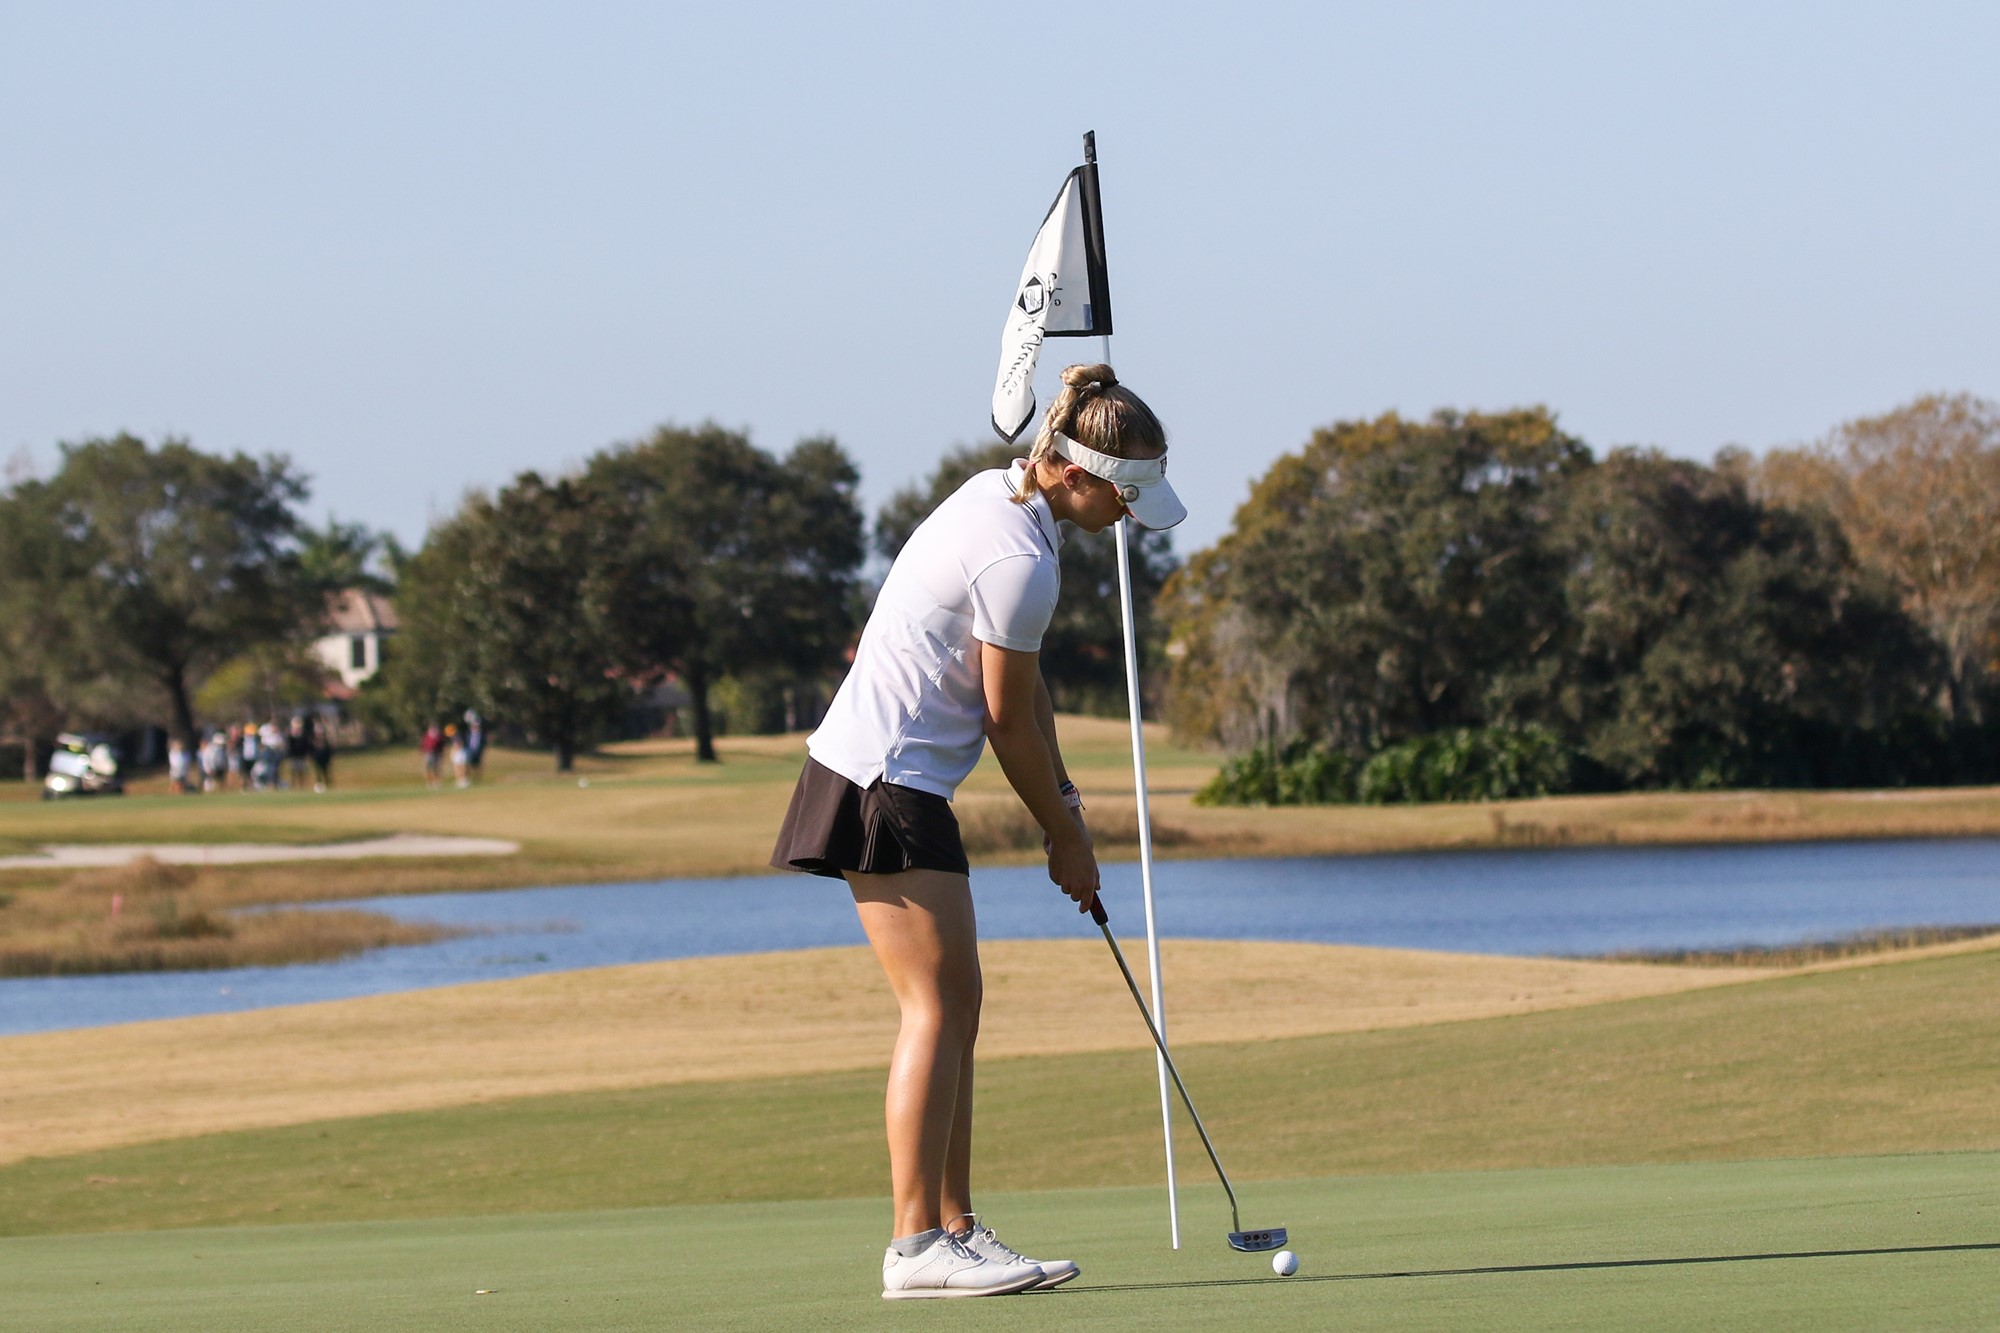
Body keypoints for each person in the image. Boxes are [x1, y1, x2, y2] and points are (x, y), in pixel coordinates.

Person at [769, 364, 1184, 1300]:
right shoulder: (1022, 559)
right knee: (936, 1005)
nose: (1130, 512)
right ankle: (915, 1245)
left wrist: (1067, 804)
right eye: (1126, 491)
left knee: (960, 1001)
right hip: (884, 781)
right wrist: (1063, 838)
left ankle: (954, 1228)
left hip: (897, 780)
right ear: (1077, 474)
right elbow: (1002, 719)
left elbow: (1026, 691)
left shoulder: (1003, 501)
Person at [462, 709, 485, 785]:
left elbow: (483, 743)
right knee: (467, 765)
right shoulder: (468, 733)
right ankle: (467, 780)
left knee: (477, 766)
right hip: (469, 751)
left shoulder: (481, 735)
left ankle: (477, 781)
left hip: (477, 752)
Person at [420, 722, 442, 789]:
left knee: (435, 768)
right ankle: (428, 783)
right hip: (428, 753)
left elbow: (440, 746)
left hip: (435, 753)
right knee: (427, 769)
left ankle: (436, 782)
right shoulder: (426, 736)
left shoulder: (437, 737)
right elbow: (423, 745)